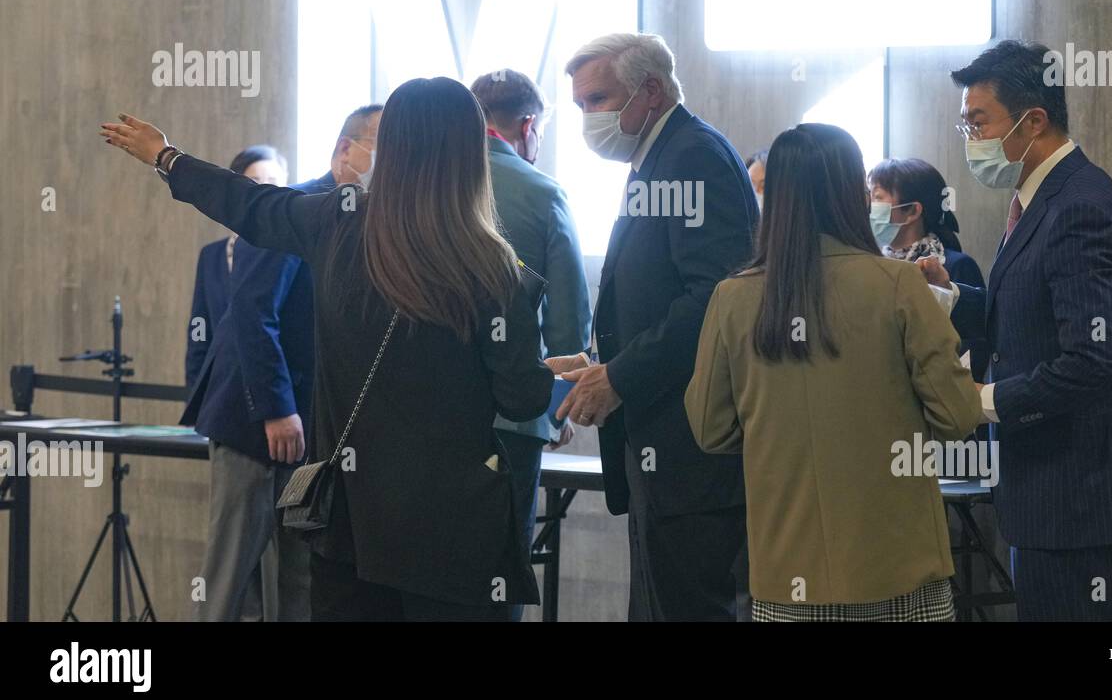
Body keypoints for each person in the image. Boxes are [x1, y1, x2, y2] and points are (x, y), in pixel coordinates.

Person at [102, 78, 552, 621]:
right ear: (470, 156)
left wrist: (166, 156)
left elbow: (250, 204)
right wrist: (546, 368)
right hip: (451, 534)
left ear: (393, 149)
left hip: (350, 523)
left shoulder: (337, 222)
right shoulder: (495, 267)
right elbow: (523, 398)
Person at [684, 123, 982, 621]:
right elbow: (957, 415)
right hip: (898, 567)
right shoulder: (899, 284)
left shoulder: (732, 298)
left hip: (786, 574)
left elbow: (710, 428)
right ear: (851, 194)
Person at [921, 39, 1112, 621]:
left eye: (979, 122)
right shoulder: (1042, 198)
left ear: (1033, 121)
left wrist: (983, 400)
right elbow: (1033, 313)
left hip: (1075, 494)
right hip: (1048, 487)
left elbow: (1093, 359)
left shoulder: (1079, 207)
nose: (971, 139)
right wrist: (953, 297)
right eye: (965, 124)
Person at [547, 32, 758, 621]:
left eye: (598, 100)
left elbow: (715, 296)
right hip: (659, 439)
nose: (589, 118)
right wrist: (601, 366)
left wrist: (621, 376)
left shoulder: (691, 156)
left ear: (652, 90)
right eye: (580, 105)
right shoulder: (659, 157)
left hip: (690, 448)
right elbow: (661, 294)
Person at [182, 114, 379, 623]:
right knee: (230, 573)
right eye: (381, 145)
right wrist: (276, 409)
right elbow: (253, 311)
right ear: (346, 149)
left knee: (298, 574)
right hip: (256, 422)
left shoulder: (363, 215)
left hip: (312, 428)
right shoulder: (297, 206)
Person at [470, 68, 592, 622]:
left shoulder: (414, 183)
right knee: (500, 571)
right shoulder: (543, 193)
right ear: (528, 126)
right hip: (510, 420)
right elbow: (567, 315)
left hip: (413, 418)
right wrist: (556, 405)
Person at [868, 157, 989, 378]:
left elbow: (974, 350)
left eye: (877, 197)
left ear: (912, 211)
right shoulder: (871, 266)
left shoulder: (955, 266)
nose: (869, 206)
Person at [185, 146, 289, 393]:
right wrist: (195, 389)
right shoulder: (211, 255)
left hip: (277, 388)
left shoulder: (289, 254)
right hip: (221, 388)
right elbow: (200, 324)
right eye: (255, 181)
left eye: (273, 182)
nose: (264, 190)